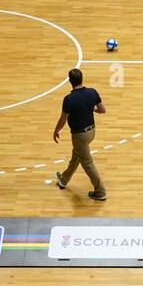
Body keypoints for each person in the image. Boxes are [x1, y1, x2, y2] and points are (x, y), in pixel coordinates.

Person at [53, 68, 107, 201]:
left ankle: (100, 191)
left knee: (87, 163)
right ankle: (64, 180)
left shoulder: (69, 99)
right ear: (82, 78)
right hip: (92, 132)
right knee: (76, 156)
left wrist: (56, 131)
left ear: (70, 81)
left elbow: (63, 119)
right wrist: (90, 108)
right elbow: (102, 110)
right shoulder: (92, 92)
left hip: (79, 136)